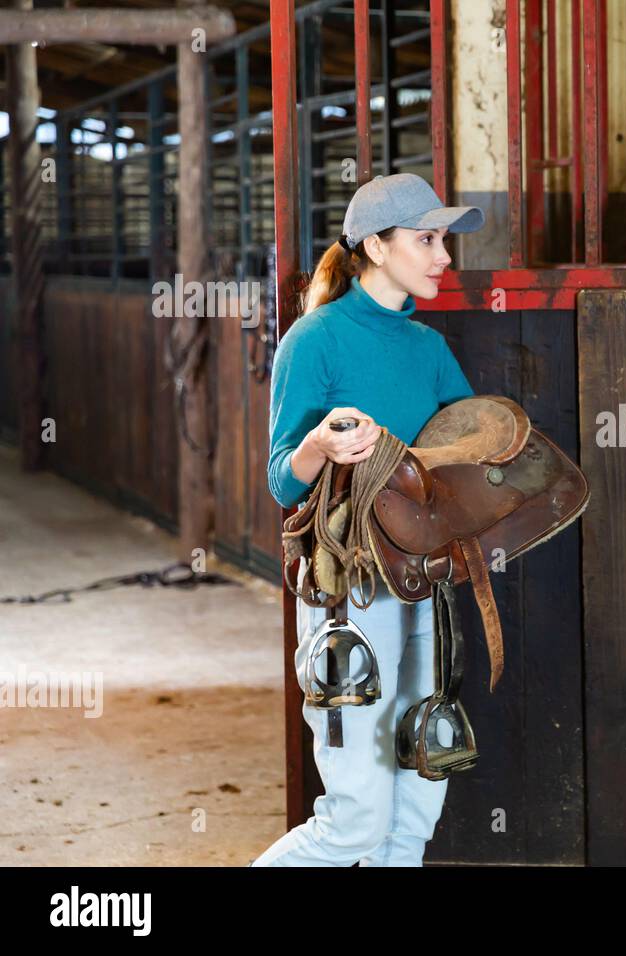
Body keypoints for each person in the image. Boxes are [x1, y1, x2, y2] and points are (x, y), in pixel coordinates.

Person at [252, 173, 485, 866]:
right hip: (350, 599)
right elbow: (277, 479)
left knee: (414, 810)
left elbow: (460, 466)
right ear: (376, 248)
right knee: (354, 822)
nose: (442, 255)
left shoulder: (428, 348)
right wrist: (319, 447)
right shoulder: (314, 340)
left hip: (428, 589)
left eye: (442, 238)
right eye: (426, 239)